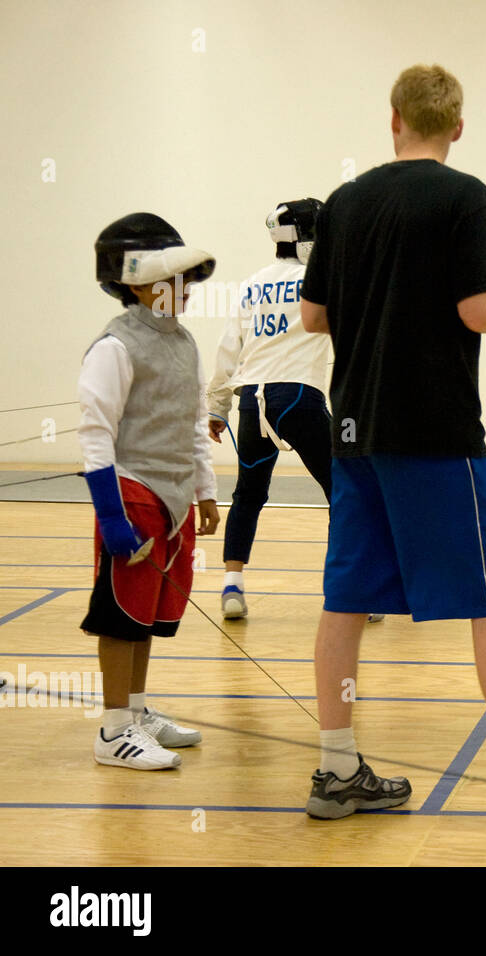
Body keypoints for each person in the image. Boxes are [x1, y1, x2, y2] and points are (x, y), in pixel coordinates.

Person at [299, 64, 486, 824]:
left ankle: (336, 770)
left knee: (345, 599)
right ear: (458, 127)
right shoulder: (463, 195)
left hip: (353, 433)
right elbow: (478, 311)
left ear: (393, 118)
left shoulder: (345, 200)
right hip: (434, 431)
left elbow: (313, 318)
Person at [80, 212, 220, 770]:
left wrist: (205, 492)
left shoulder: (183, 342)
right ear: (135, 280)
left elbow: (192, 422)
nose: (183, 290)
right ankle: (113, 731)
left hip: (173, 499)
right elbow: (95, 433)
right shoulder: (115, 346)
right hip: (131, 494)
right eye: (172, 279)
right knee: (120, 614)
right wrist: (111, 517)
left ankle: (135, 712)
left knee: (146, 615)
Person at [207, 199, 333, 619]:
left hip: (250, 401)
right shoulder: (321, 281)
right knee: (347, 493)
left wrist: (216, 406)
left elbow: (230, 347)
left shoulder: (253, 283)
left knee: (248, 494)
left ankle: (231, 587)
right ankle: (351, 592)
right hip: (298, 397)